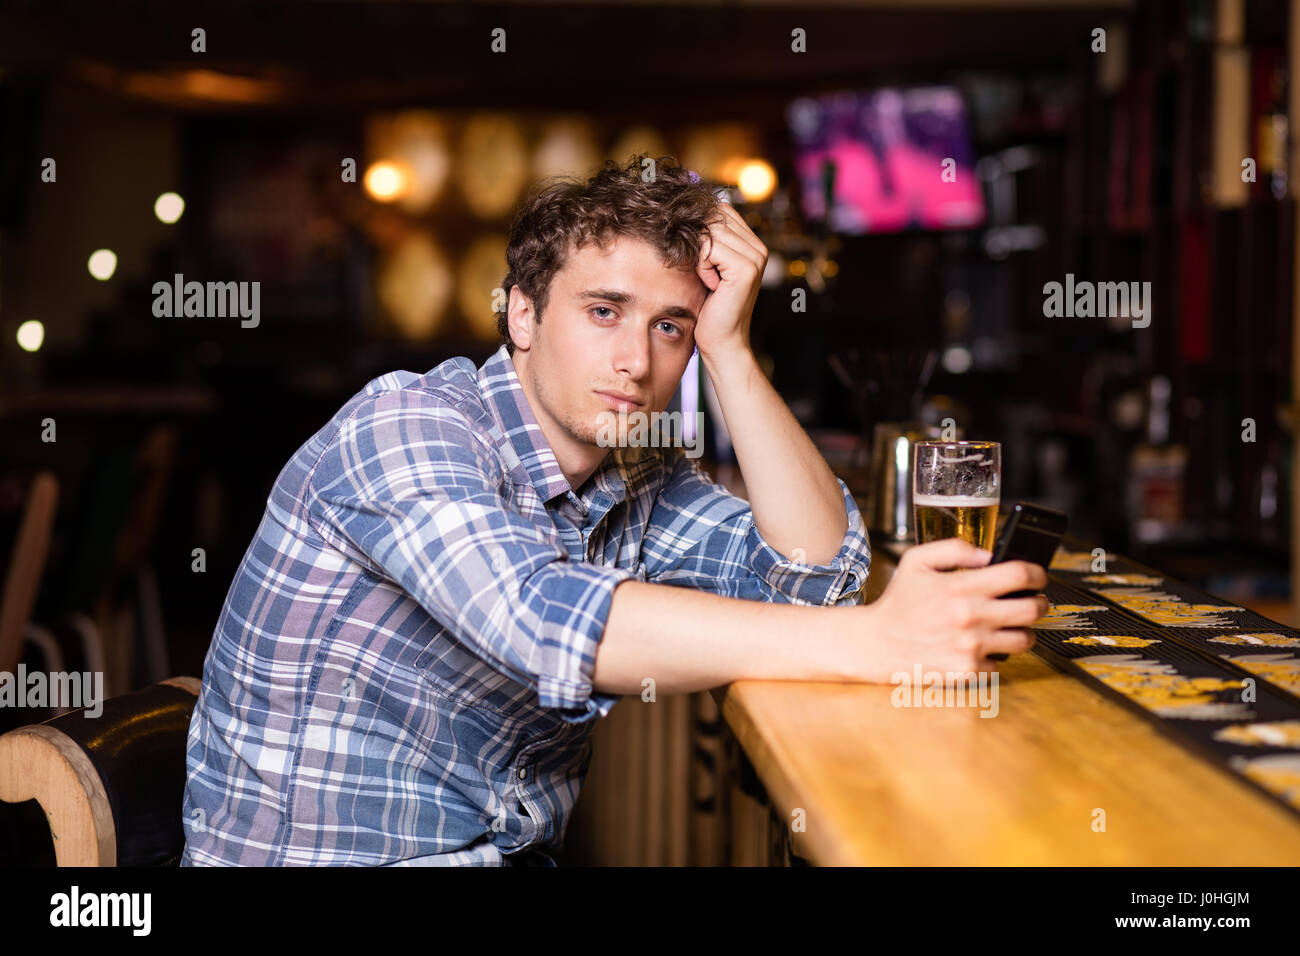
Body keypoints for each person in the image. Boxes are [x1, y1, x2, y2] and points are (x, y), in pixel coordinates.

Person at [181, 153, 1046, 866]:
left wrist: (731, 350)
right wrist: (878, 643)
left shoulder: (633, 473)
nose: (637, 359)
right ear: (521, 315)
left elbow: (815, 580)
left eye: (670, 327)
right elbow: (537, 617)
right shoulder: (406, 425)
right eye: (604, 312)